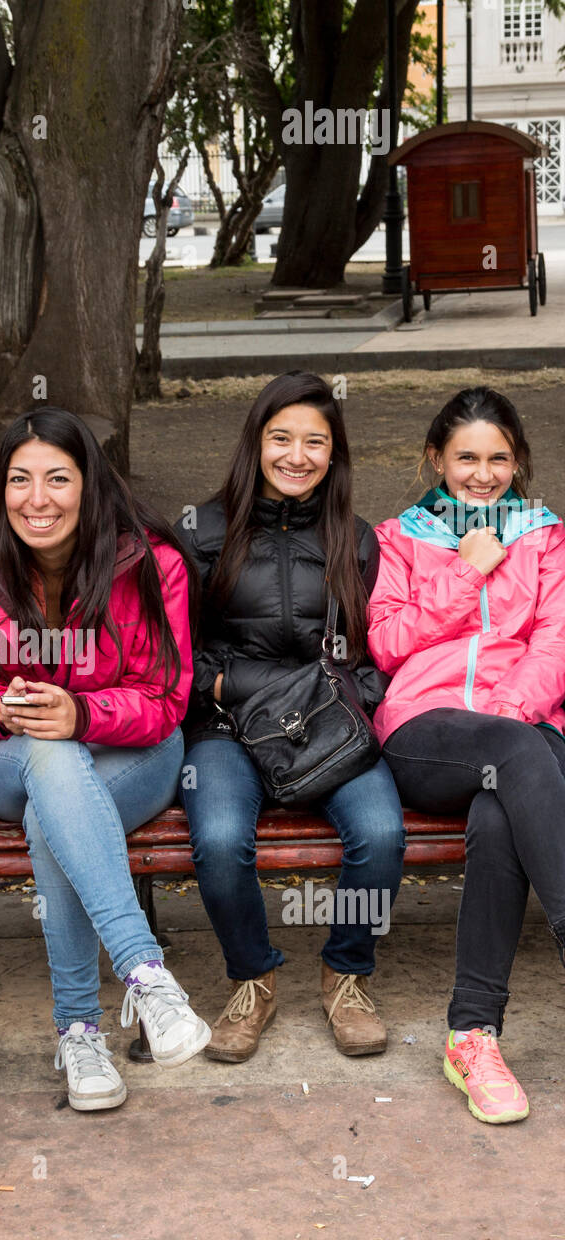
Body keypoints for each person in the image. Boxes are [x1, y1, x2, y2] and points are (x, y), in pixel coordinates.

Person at [0, 406, 211, 1113]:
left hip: (132, 753)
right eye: (19, 480)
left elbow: (166, 697)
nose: (36, 498)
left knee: (56, 811)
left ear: (89, 484)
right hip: (8, 759)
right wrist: (1, 708)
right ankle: (148, 977)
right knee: (50, 763)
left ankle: (79, 1031)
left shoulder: (151, 561)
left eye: (57, 478)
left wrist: (83, 712)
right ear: (0, 488)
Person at [176, 372, 405, 1063]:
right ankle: (254, 976)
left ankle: (346, 974)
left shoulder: (355, 539)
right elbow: (174, 659)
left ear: (334, 454)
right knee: (218, 840)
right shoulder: (201, 530)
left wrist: (343, 696)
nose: (297, 455)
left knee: (383, 832)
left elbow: (372, 656)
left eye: (315, 442)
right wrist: (231, 687)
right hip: (226, 727)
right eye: (281, 438)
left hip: (325, 727)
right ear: (256, 443)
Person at [370, 386, 565, 1125]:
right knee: (517, 757)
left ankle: (471, 1035)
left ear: (518, 463)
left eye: (499, 459)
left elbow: (554, 644)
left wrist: (508, 712)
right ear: (436, 460)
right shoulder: (401, 537)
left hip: (517, 730)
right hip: (426, 730)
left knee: (499, 813)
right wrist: (466, 570)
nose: (483, 475)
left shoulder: (545, 536)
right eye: (466, 458)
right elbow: (385, 642)